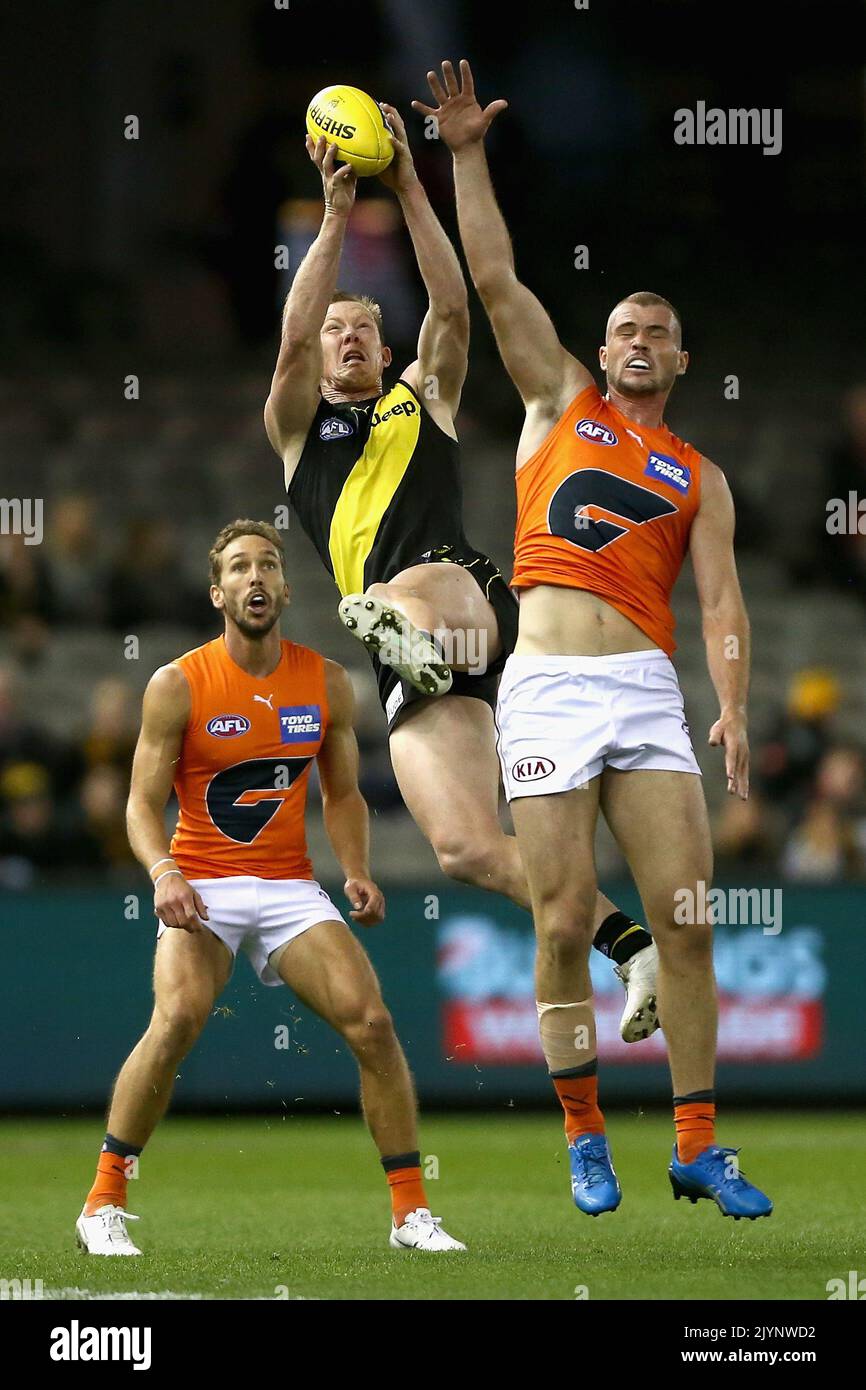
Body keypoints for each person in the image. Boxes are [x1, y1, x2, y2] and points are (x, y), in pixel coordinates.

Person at [418, 59, 772, 1219]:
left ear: (678, 360)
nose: (631, 338)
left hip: (643, 688)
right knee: (563, 918)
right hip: (550, 685)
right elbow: (494, 275)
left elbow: (719, 604)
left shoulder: (698, 476)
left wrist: (729, 699)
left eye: (653, 332)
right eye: (621, 324)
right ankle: (582, 1137)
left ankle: (695, 1148)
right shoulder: (553, 402)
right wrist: (466, 153)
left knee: (684, 917)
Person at [264, 108, 659, 1044]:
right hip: (416, 659)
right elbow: (285, 345)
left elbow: (450, 306)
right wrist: (331, 218)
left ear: (387, 352)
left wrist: (408, 183)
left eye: (363, 327)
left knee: (389, 594)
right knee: (465, 849)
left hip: (468, 598)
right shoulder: (296, 436)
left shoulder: (419, 399)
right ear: (318, 357)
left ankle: (402, 628)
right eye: (335, 332)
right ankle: (629, 944)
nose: (349, 338)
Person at [75, 520, 464, 1255]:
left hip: (288, 886)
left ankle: (411, 1214)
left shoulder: (325, 681)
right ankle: (102, 1199)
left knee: (374, 1026)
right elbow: (137, 805)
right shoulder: (176, 684)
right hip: (204, 884)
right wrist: (163, 874)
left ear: (285, 588)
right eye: (240, 569)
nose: (256, 578)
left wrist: (354, 869)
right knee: (179, 1018)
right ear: (218, 592)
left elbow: (341, 795)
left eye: (269, 566)